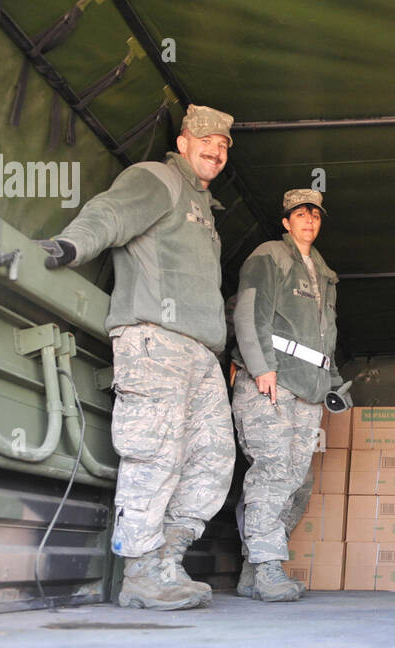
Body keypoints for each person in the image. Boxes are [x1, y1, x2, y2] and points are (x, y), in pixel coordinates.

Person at [39, 104, 236, 610]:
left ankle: (166, 561)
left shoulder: (205, 210)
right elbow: (110, 214)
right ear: (185, 141)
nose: (216, 149)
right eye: (207, 139)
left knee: (213, 460)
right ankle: (141, 571)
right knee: (155, 455)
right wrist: (70, 246)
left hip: (200, 352)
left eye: (225, 145)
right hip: (156, 340)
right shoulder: (158, 180)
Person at [229, 188, 345, 602]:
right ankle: (267, 567)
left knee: (298, 482)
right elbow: (249, 313)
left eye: (314, 215)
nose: (308, 221)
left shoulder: (324, 272)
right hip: (272, 382)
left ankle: (252, 569)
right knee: (273, 472)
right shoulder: (269, 256)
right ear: (286, 222)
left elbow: (324, 338)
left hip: (309, 389)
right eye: (300, 214)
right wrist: (261, 368)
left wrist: (333, 382)